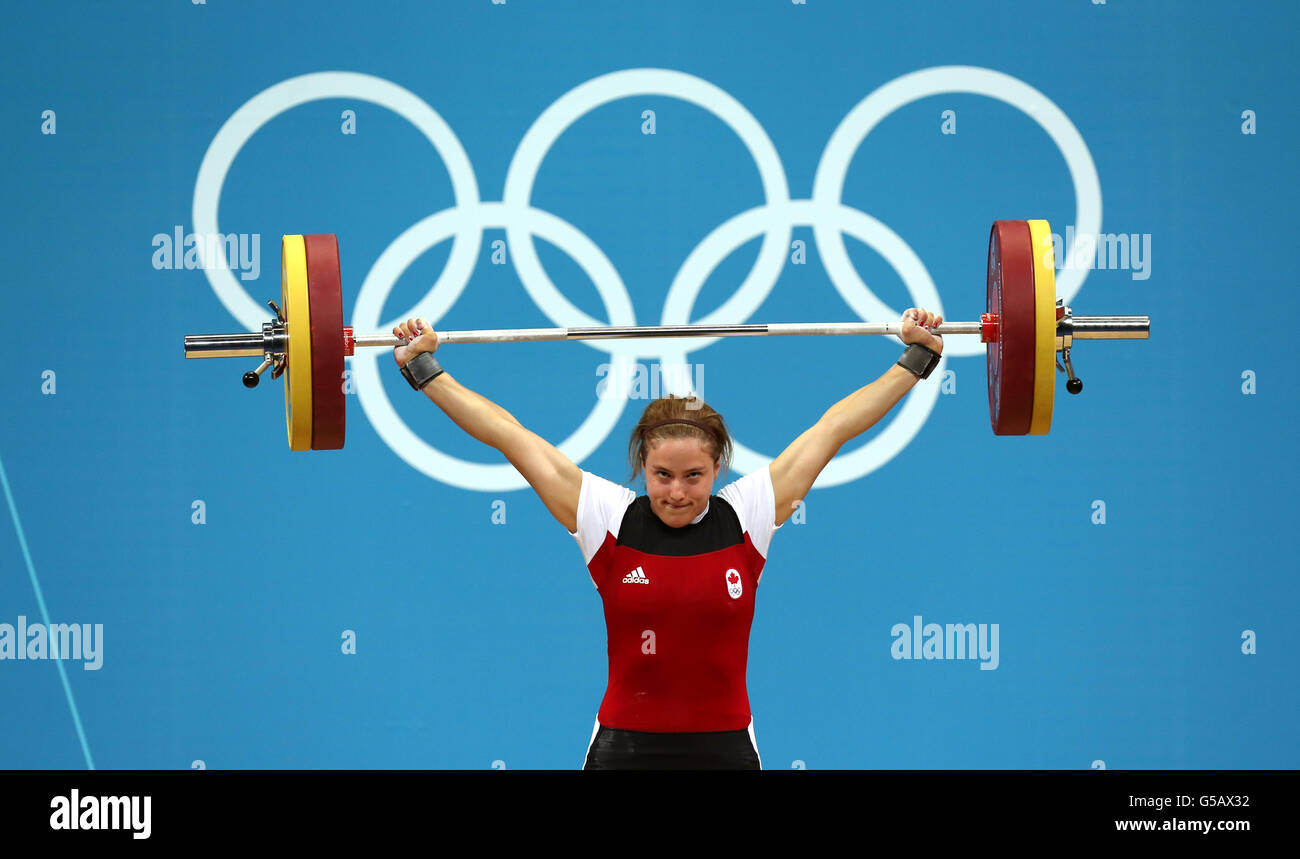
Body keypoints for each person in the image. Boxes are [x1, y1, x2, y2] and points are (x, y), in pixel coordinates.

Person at [390, 308, 945, 769]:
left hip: (724, 748)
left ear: (719, 469)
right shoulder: (606, 517)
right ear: (641, 467)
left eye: (694, 476)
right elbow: (510, 436)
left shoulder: (747, 513)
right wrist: (426, 369)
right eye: (662, 475)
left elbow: (834, 428)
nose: (677, 492)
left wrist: (915, 358)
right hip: (624, 749)